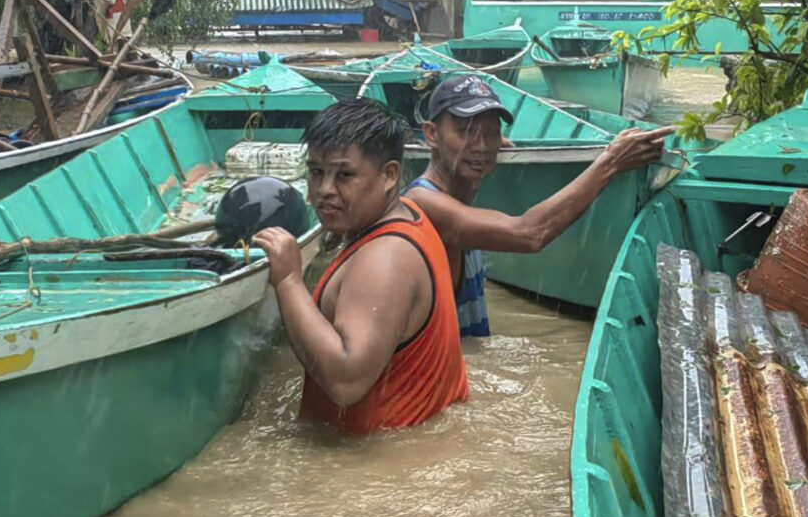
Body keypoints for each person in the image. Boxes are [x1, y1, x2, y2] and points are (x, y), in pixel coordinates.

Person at [251, 98, 468, 435]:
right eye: (316, 172)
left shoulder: (386, 258)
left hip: (377, 466)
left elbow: (345, 382)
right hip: (416, 448)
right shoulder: (407, 216)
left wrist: (289, 279)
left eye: (345, 175)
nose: (323, 191)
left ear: (389, 175)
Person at [402, 74, 670, 337]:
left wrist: (480, 154)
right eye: (466, 132)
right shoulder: (423, 203)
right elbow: (529, 234)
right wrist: (610, 163)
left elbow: (477, 153)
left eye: (491, 133)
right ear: (431, 134)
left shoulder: (461, 188)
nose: (482, 145)